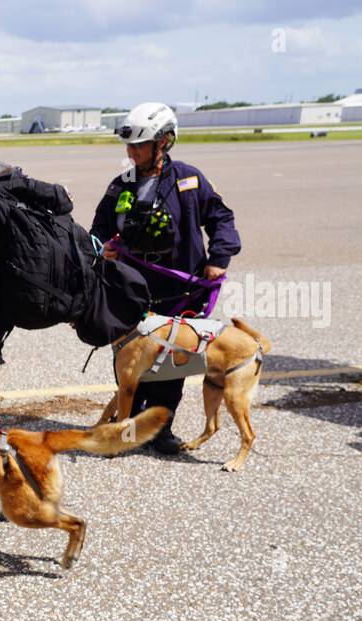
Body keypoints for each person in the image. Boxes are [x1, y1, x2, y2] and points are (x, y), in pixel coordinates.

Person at [91, 102, 240, 454]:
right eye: (129, 146)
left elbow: (221, 218)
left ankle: (159, 429)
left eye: (139, 146)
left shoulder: (189, 179)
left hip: (180, 291)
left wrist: (219, 258)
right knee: (131, 363)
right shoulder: (122, 183)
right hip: (131, 289)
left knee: (173, 364)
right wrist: (102, 249)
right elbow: (98, 229)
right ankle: (128, 426)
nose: (131, 153)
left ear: (164, 143)